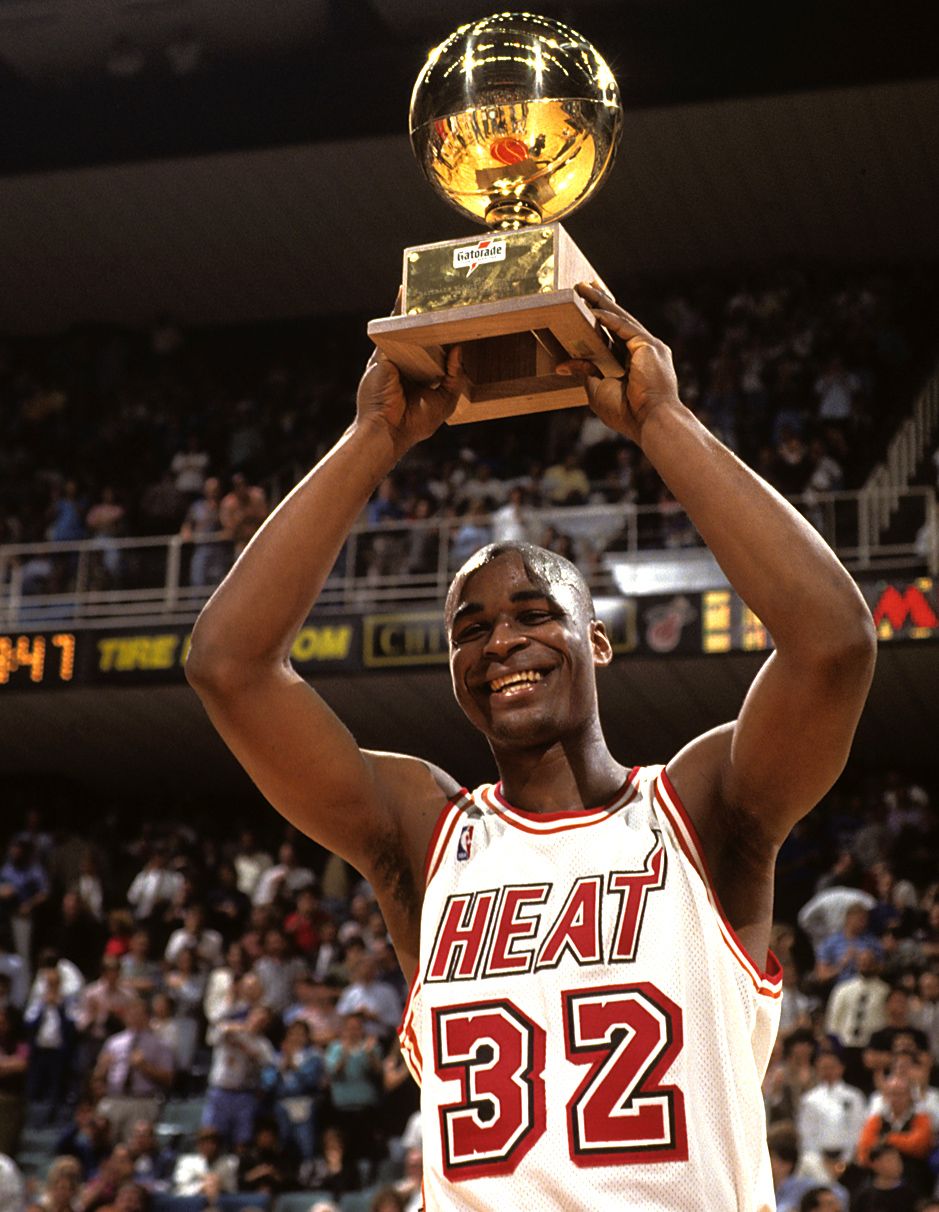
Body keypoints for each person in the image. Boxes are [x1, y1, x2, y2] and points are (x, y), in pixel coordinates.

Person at [186, 284, 877, 1209]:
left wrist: (661, 422)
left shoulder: (702, 808)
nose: (500, 641)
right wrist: (373, 442)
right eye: (468, 630)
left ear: (595, 640)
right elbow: (227, 665)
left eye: (531, 614)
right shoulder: (426, 836)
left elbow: (832, 647)